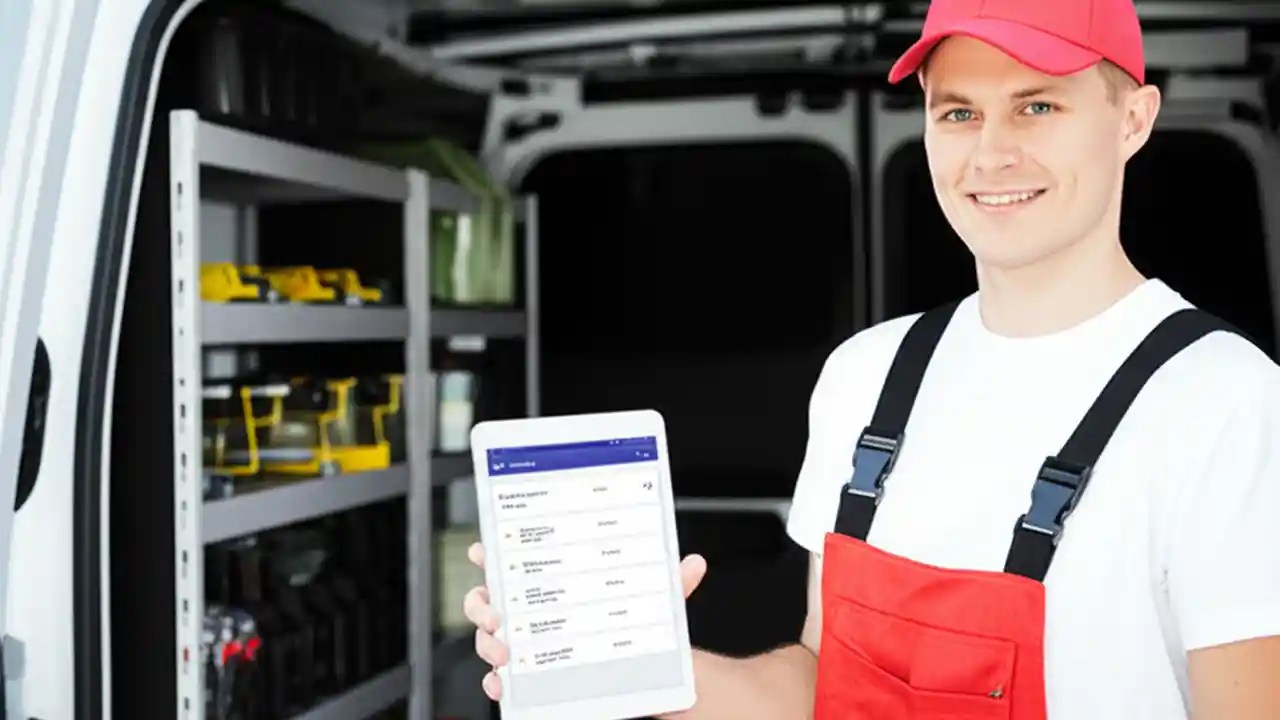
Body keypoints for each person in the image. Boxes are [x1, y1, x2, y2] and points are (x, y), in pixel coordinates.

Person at [463, 0, 1280, 716]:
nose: (991, 153)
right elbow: (824, 684)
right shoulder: (868, 376)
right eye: (958, 112)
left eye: (1037, 106)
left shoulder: (1227, 405)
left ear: (1133, 119)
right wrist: (643, 672)